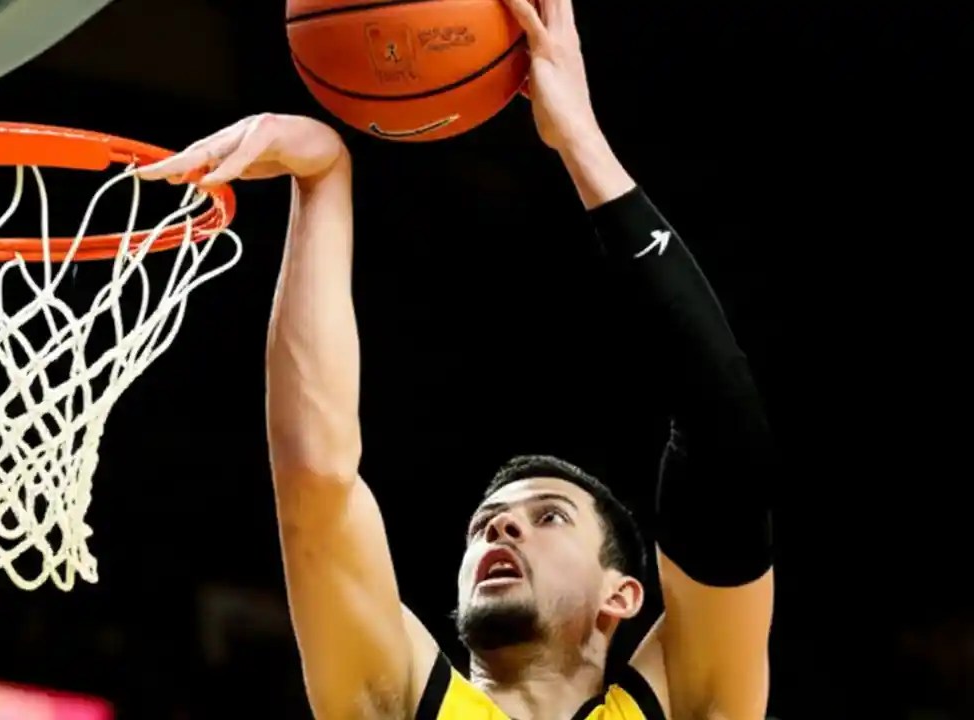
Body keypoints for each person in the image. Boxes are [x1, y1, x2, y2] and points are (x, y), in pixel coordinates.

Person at [141, 0, 776, 717]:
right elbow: (316, 477)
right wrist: (322, 182)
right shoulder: (401, 699)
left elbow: (724, 428)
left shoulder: (691, 702)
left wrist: (580, 138)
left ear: (620, 596)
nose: (500, 528)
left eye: (549, 518)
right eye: (488, 523)